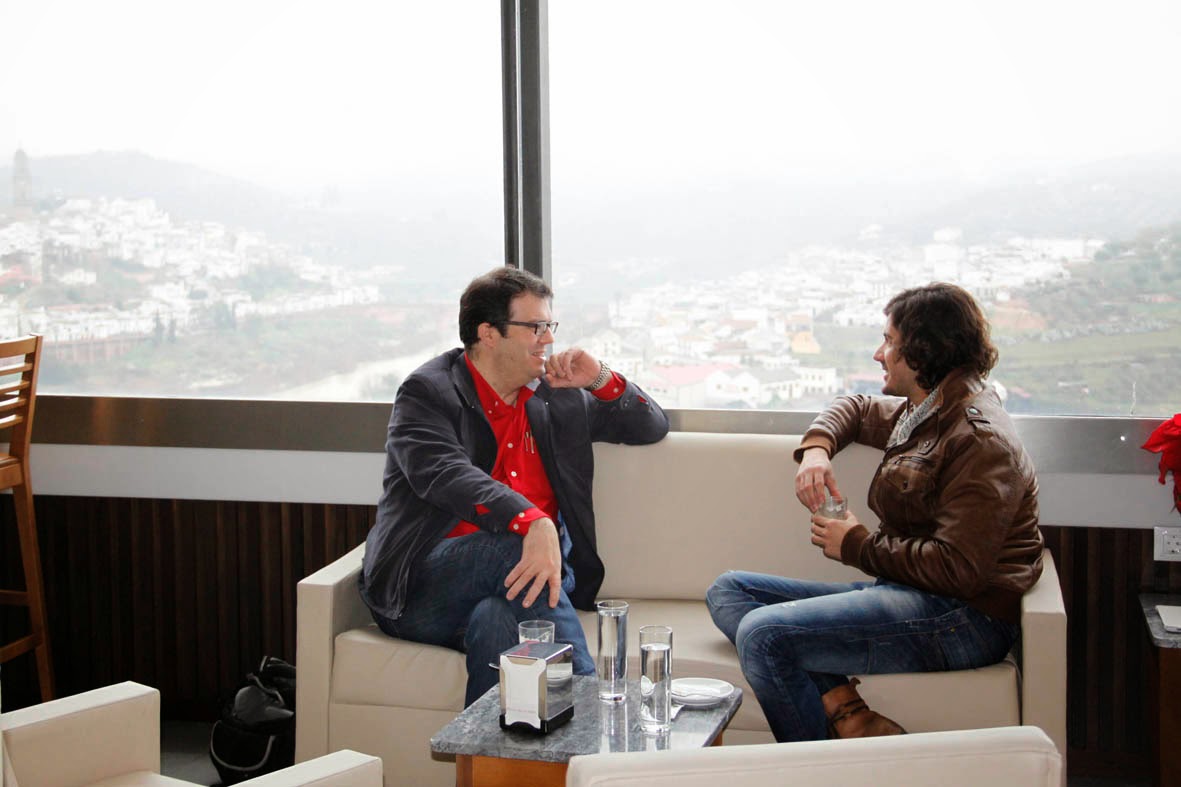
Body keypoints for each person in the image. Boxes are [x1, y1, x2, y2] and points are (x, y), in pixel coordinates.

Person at [706, 282, 1043, 742]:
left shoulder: (978, 440)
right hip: (911, 590)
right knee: (729, 592)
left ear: (922, 353)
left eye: (888, 341)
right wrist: (817, 451)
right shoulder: (926, 411)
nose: (877, 353)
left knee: (764, 635)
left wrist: (857, 545)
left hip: (962, 618)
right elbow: (858, 408)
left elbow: (960, 569)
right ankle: (849, 713)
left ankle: (820, 772)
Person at [360, 266, 669, 705]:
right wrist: (532, 522)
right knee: (513, 544)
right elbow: (444, 473)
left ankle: (489, 766)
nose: (548, 339)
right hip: (424, 585)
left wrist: (599, 378)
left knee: (499, 621)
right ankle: (595, 720)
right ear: (489, 333)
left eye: (550, 326)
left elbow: (650, 425)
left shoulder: (555, 394)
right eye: (535, 327)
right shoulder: (428, 392)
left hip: (512, 590)